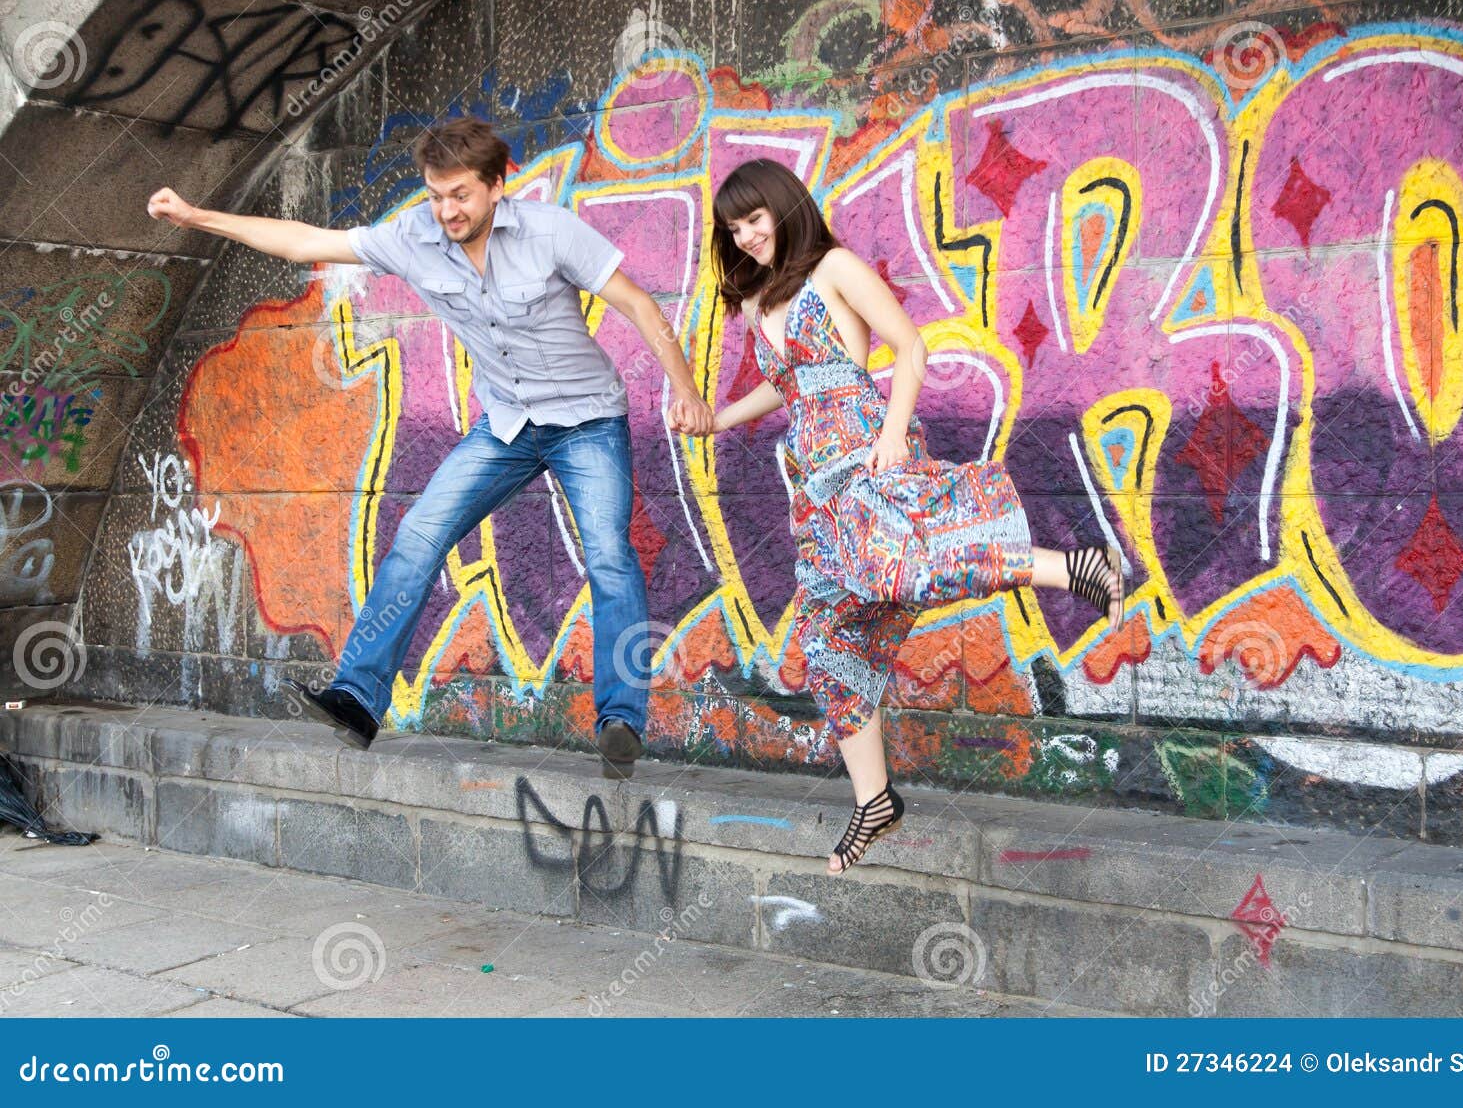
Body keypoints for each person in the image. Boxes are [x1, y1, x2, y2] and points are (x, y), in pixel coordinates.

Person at [146, 117, 714, 779]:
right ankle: (357, 699)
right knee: (417, 534)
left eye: (461, 195)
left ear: (497, 185)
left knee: (610, 554)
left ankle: (619, 720)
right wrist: (196, 217)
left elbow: (640, 304)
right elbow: (305, 242)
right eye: (436, 195)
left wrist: (687, 392)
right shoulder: (413, 237)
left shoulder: (550, 231)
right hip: (507, 425)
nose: (447, 211)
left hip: (587, 418)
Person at [709, 158, 1123, 873]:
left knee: (905, 566)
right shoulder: (756, 303)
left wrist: (895, 434)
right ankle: (874, 799)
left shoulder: (833, 268)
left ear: (783, 206)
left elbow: (910, 346)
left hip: (867, 453)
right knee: (826, 641)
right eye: (733, 228)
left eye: (754, 218)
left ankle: (1073, 567)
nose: (745, 235)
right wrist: (719, 418)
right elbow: (790, 387)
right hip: (815, 489)